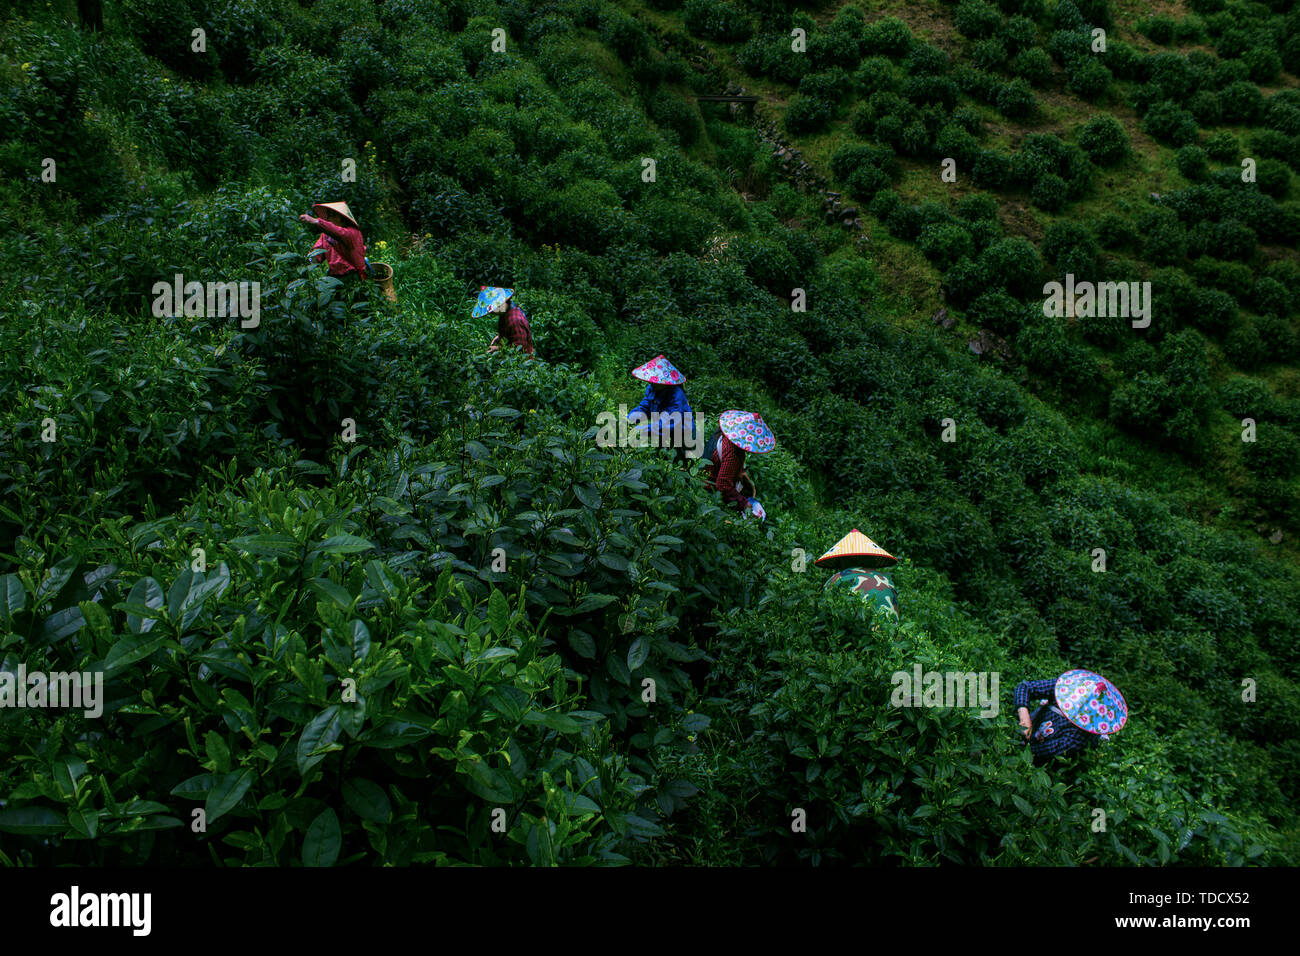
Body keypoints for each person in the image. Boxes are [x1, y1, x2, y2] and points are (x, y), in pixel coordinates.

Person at [1013, 669, 1128, 764]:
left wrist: (1017, 749)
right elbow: (1024, 688)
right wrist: (1025, 720)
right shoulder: (1065, 687)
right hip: (1024, 733)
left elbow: (1041, 752)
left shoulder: (1079, 737)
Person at [814, 529, 899, 617]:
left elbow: (825, 614)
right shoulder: (887, 580)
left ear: (844, 559)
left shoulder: (837, 579)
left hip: (859, 629)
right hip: (889, 629)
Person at [704, 410, 774, 517]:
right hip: (708, 488)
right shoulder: (734, 454)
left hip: (702, 473)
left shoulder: (723, 434)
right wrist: (744, 503)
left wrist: (740, 471)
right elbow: (722, 485)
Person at [627, 355, 695, 464]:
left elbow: (670, 422)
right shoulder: (652, 389)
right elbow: (644, 408)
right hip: (662, 431)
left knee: (681, 465)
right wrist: (630, 418)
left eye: (655, 381)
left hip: (681, 434)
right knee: (661, 461)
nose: (651, 383)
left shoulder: (676, 395)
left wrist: (644, 428)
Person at [299, 201, 368, 279]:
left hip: (352, 275)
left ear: (342, 218)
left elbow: (339, 233)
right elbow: (317, 253)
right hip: (334, 275)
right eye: (329, 216)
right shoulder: (326, 235)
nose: (329, 218)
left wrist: (316, 221)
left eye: (332, 215)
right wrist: (305, 262)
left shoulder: (353, 233)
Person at [475, 287, 535, 358]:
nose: (492, 313)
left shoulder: (515, 320)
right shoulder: (506, 309)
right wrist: (499, 336)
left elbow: (520, 348)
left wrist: (498, 349)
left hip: (522, 362)